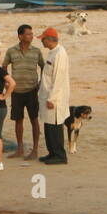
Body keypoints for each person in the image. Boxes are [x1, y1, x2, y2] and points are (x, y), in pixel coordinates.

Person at [3, 24, 45, 160]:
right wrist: (7, 82)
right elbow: (4, 66)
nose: (31, 36)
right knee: (18, 120)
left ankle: (35, 150)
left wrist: (41, 84)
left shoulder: (37, 51)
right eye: (28, 34)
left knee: (34, 120)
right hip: (16, 91)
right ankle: (19, 149)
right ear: (20, 36)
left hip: (32, 90)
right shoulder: (11, 51)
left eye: (32, 34)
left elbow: (44, 68)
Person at [37, 27, 70, 165]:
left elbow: (58, 79)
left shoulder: (60, 54)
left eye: (43, 39)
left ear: (49, 40)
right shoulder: (52, 52)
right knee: (48, 126)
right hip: (46, 95)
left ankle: (60, 155)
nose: (42, 41)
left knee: (55, 126)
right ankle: (52, 153)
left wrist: (52, 98)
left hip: (55, 98)